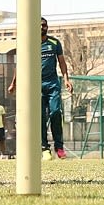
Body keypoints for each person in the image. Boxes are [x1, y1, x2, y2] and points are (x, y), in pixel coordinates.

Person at [10, 17, 73, 159]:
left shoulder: (54, 43)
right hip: (35, 86)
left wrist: (66, 79)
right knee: (40, 117)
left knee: (56, 113)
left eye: (44, 25)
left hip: (52, 84)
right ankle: (44, 148)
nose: (42, 28)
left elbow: (62, 62)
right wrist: (14, 83)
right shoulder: (28, 44)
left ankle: (59, 147)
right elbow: (19, 65)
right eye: (39, 26)